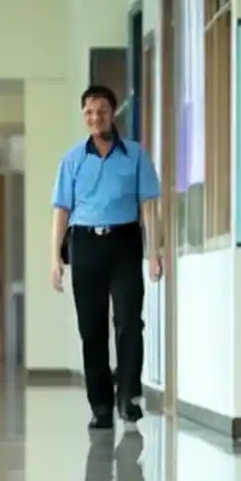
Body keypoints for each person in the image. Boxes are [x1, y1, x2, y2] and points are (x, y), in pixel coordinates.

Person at [50, 85, 164, 430]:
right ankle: (100, 405)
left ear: (113, 113)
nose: (95, 117)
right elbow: (61, 210)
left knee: (129, 321)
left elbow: (149, 206)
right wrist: (55, 258)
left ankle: (128, 397)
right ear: (83, 116)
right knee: (92, 327)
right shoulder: (72, 159)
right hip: (85, 245)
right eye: (88, 112)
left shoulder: (135, 155)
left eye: (101, 111)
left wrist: (155, 253)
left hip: (125, 242)